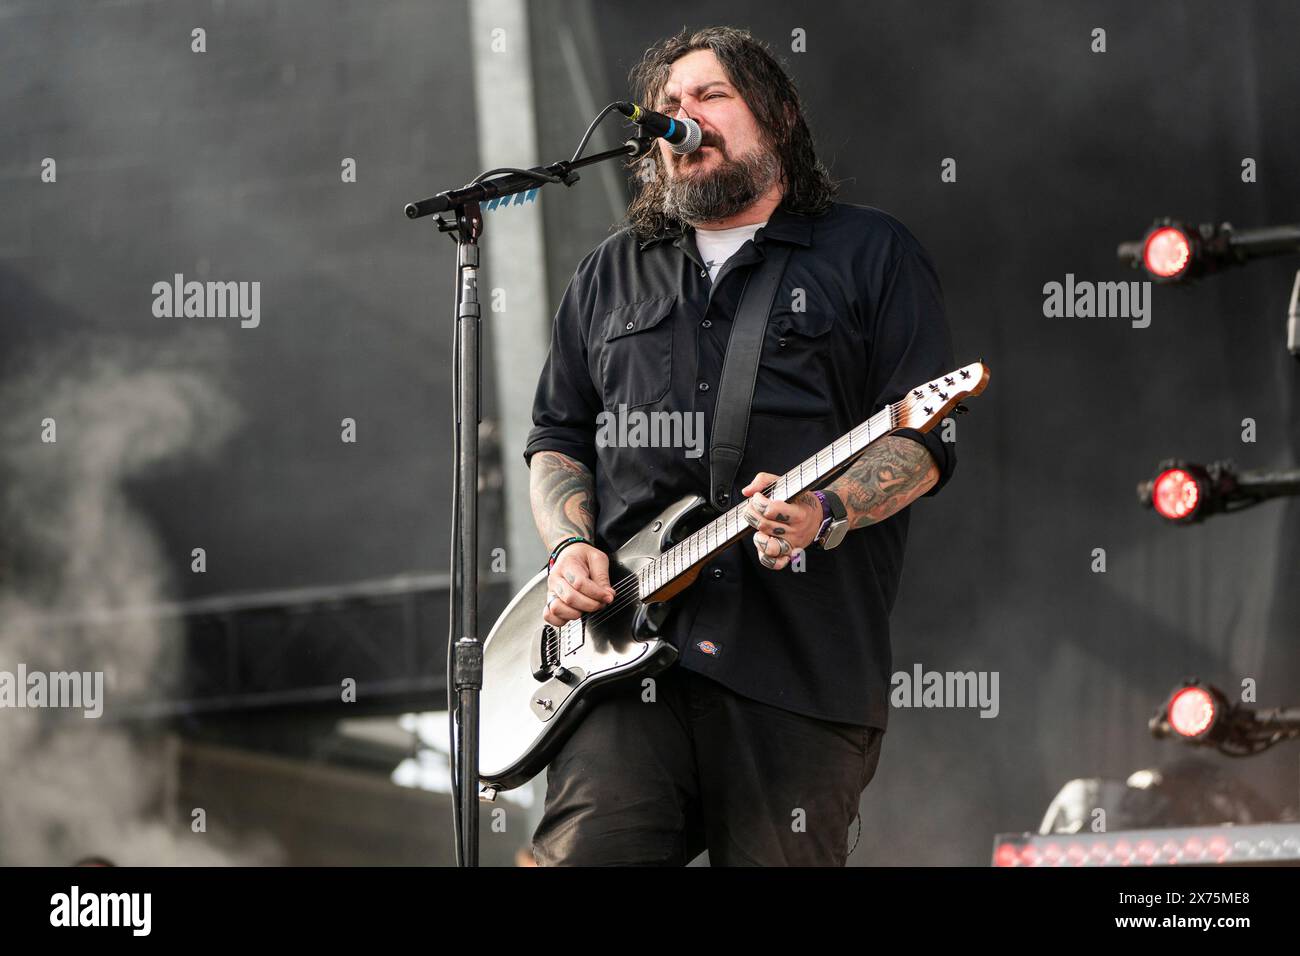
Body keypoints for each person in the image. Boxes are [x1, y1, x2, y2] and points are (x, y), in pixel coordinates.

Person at [522, 25, 957, 866]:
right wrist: (571, 542)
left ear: (780, 117)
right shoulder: (610, 273)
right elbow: (557, 435)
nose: (682, 115)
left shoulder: (870, 252)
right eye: (666, 106)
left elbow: (925, 440)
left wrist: (825, 510)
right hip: (622, 665)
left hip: (796, 664)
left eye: (710, 95)